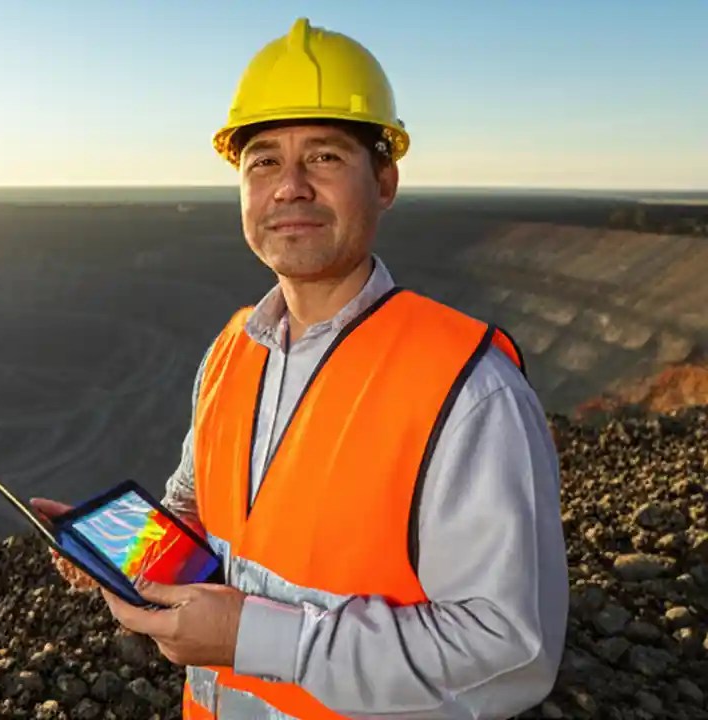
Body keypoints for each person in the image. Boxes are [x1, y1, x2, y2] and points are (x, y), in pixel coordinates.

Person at [31, 16, 568, 720]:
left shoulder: (467, 388)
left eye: (323, 158)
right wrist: (120, 547)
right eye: (262, 162)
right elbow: (205, 513)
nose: (289, 187)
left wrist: (252, 637)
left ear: (385, 181)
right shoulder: (233, 349)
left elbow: (511, 655)